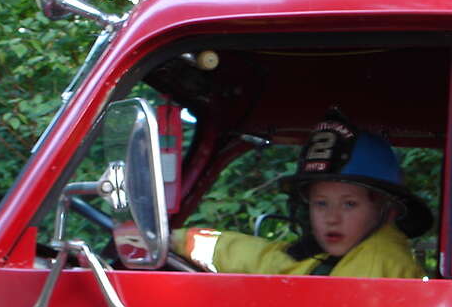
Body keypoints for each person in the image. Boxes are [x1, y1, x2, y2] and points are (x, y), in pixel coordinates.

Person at [173, 113, 432, 278]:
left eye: (350, 204)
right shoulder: (327, 256)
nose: (332, 218)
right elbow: (265, 258)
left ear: (387, 211)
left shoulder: (378, 261)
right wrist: (175, 240)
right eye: (321, 203)